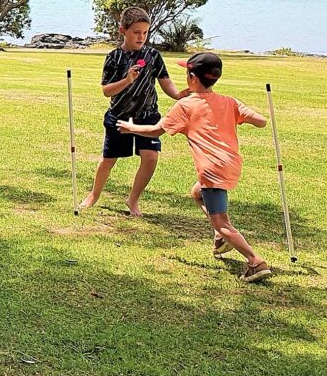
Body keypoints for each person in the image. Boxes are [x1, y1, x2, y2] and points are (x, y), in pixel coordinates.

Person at [117, 52, 273, 283]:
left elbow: (157, 130)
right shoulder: (229, 101)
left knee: (220, 220)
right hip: (230, 164)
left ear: (192, 77)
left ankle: (254, 261)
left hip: (212, 169)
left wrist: (130, 128)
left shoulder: (186, 105)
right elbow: (260, 121)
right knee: (197, 193)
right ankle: (221, 238)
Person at [81, 6, 187, 216]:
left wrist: (179, 94)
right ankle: (94, 195)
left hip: (148, 117)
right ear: (123, 30)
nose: (141, 37)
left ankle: (133, 200)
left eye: (145, 33)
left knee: (150, 158)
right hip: (119, 116)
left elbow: (166, 82)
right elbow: (106, 91)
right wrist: (127, 80)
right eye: (136, 32)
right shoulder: (114, 57)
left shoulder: (153, 55)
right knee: (108, 160)